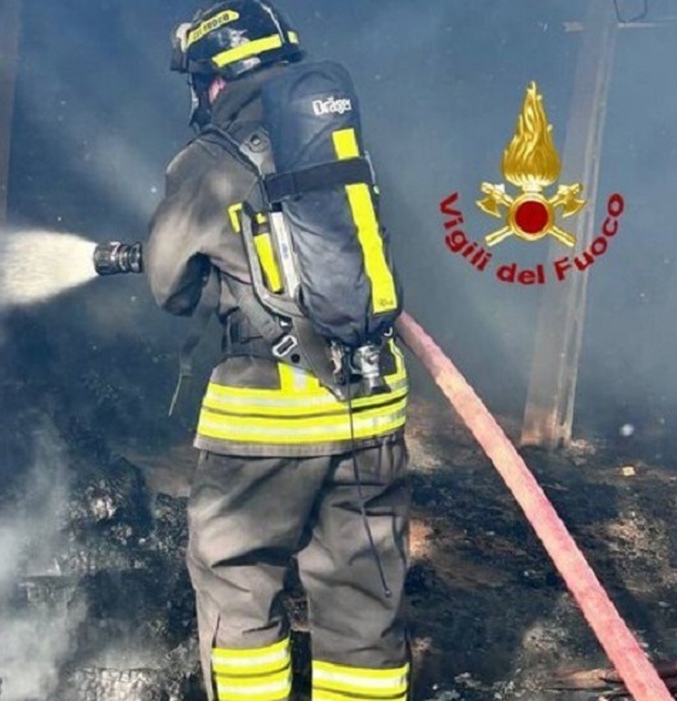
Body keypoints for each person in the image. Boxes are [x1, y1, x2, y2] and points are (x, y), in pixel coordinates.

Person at [143, 2, 413, 700]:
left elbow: (168, 285)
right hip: (373, 402)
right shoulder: (336, 144)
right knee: (362, 595)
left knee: (237, 577)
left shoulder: (206, 161)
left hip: (273, 413)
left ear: (211, 81)